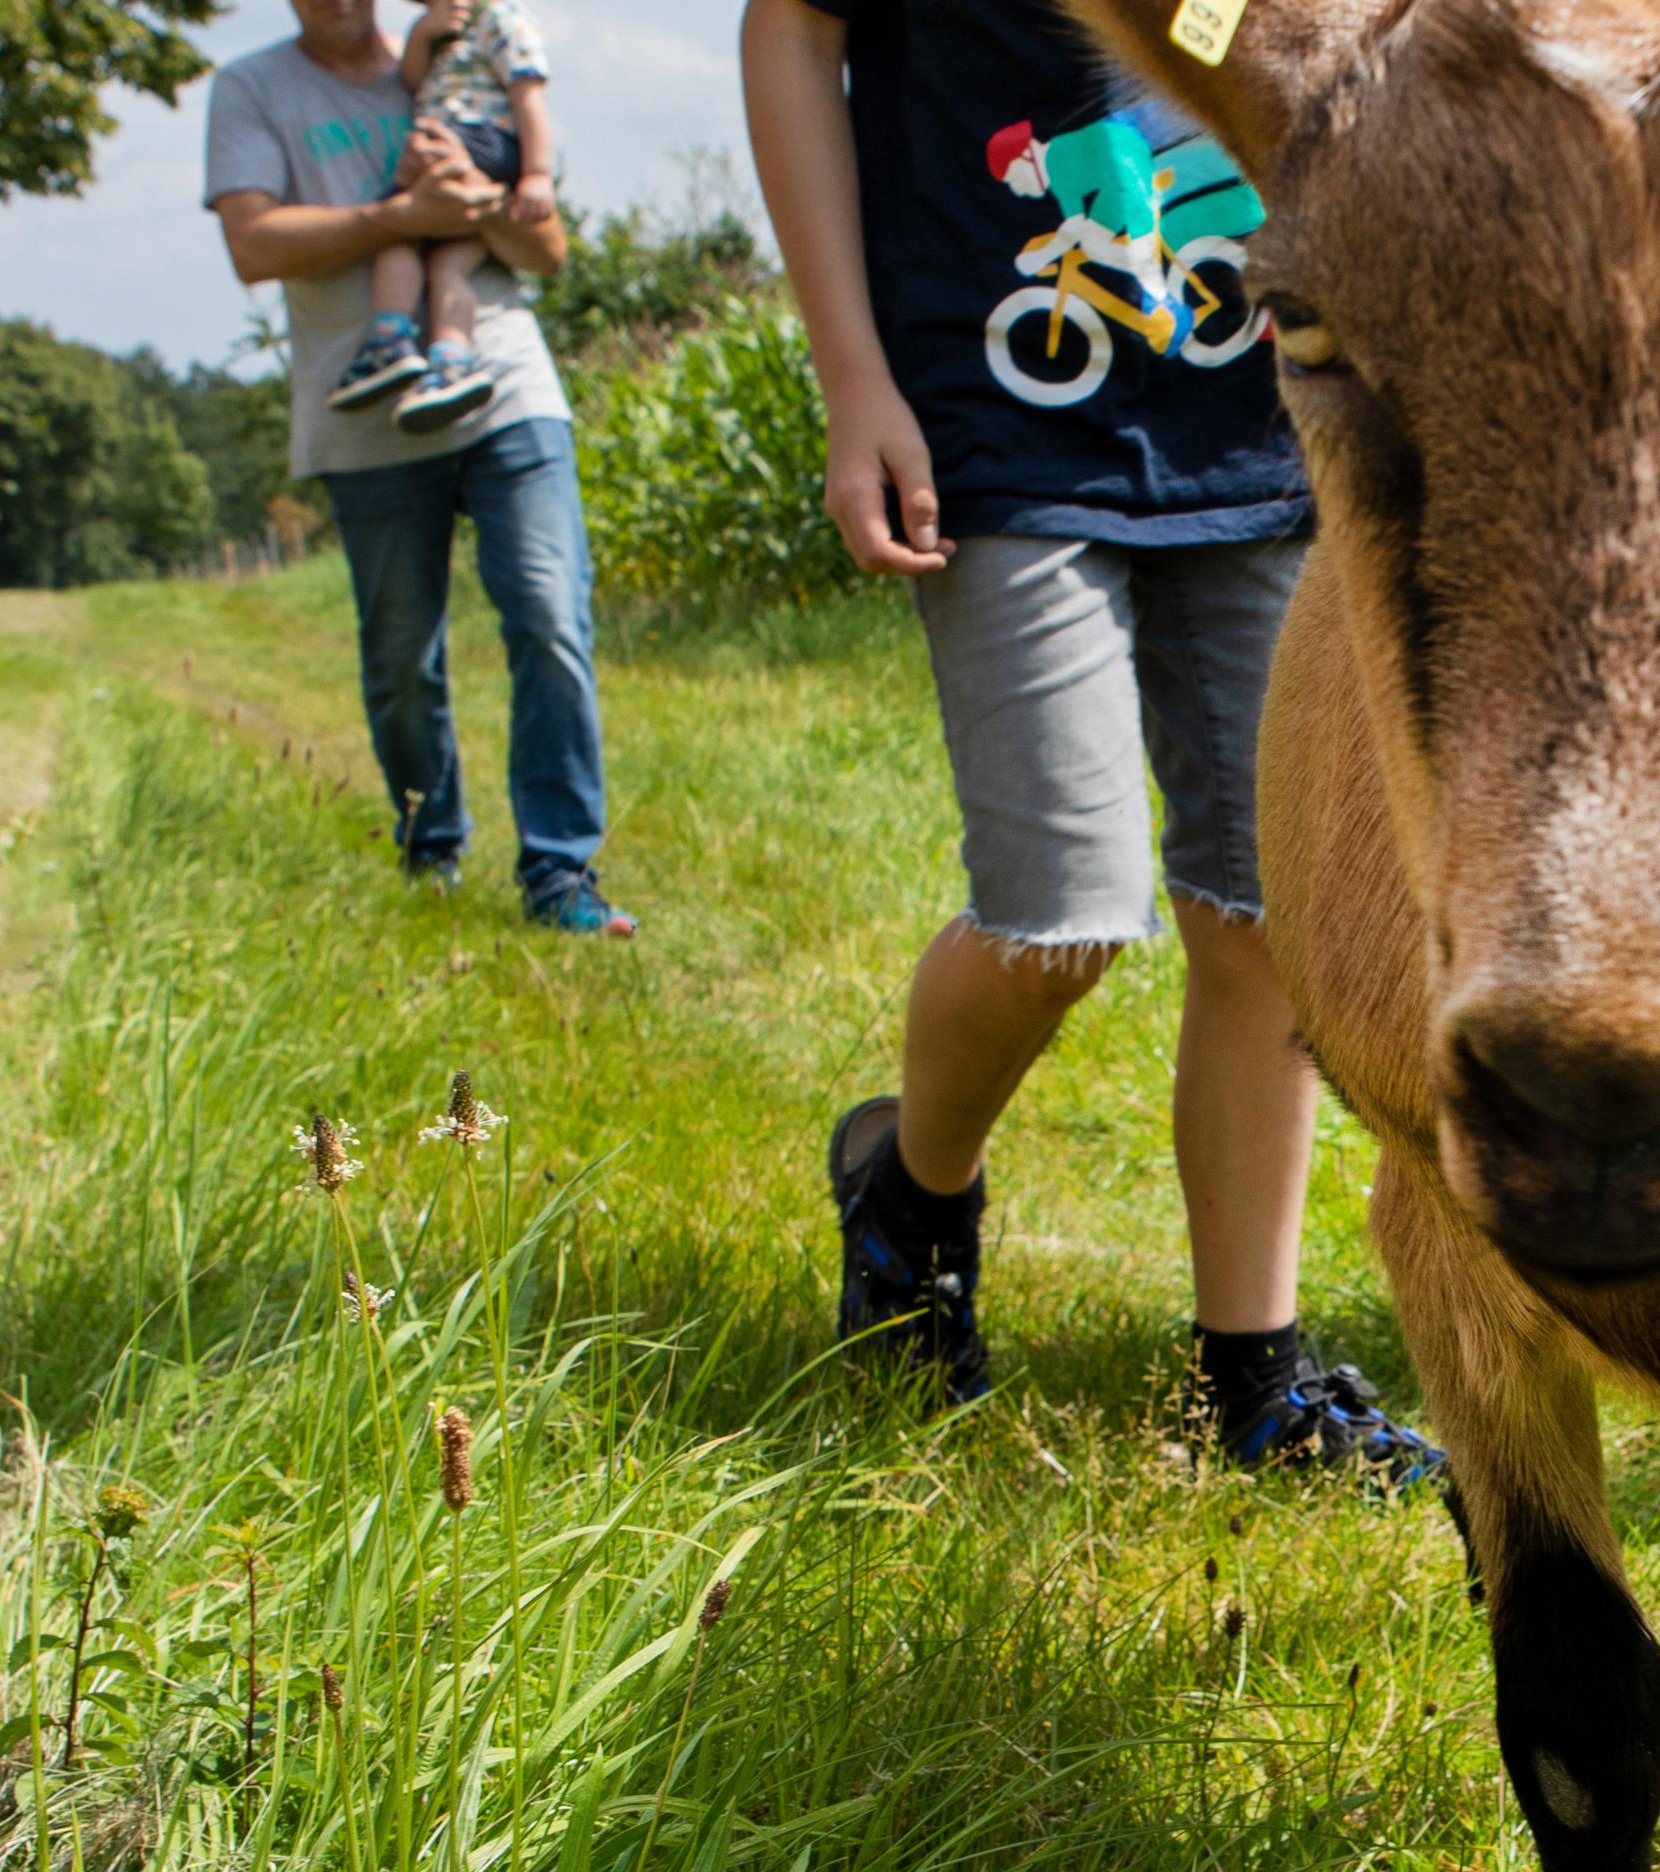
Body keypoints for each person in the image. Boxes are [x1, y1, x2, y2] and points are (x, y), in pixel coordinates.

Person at [740, 0, 1440, 1478]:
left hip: (1261, 418)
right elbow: (791, 34)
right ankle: (908, 1189)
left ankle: (1252, 1378)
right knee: (1064, 914)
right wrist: (850, 380)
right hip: (986, 425)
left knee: (1267, 917)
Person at [207, 0, 638, 934]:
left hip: (505, 382)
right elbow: (254, 245)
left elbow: (547, 248)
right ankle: (430, 848)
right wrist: (405, 215)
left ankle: (561, 873)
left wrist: (477, 206)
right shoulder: (251, 88)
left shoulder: (455, 51)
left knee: (551, 612)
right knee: (402, 654)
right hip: (367, 405)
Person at [324, 0, 565, 433]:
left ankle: (389, 340)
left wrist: (537, 175)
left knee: (398, 229)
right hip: (457, 138)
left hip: (478, 139)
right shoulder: (441, 29)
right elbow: (412, 82)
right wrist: (423, 33)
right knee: (447, 264)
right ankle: (452, 360)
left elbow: (529, 95)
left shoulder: (503, 17)